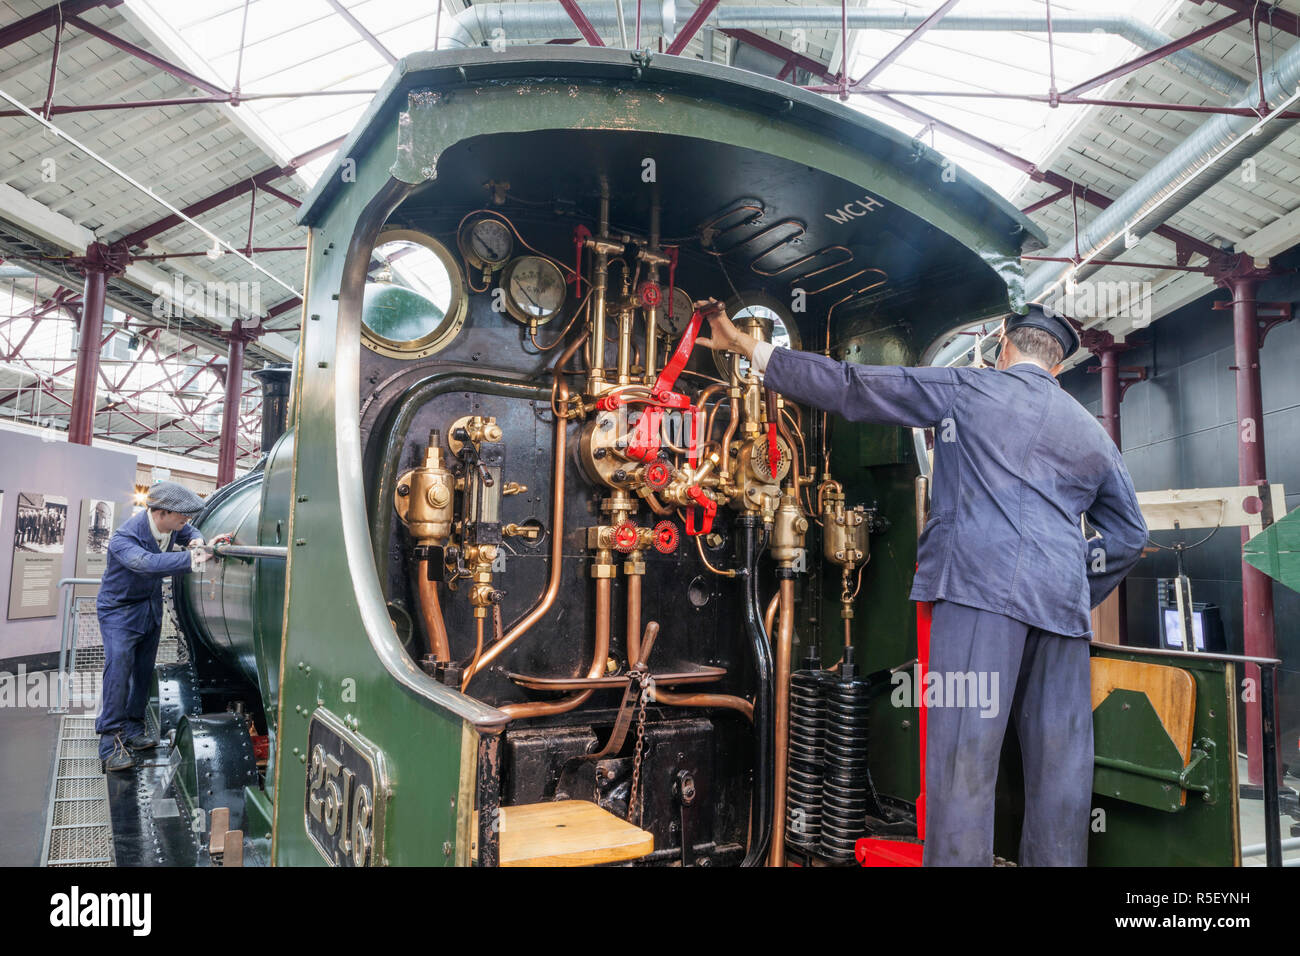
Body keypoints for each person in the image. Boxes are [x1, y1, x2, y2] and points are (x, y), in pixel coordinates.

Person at [695, 299, 1148, 866]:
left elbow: (855, 387)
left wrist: (753, 350)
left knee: (964, 767)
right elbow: (1129, 535)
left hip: (978, 595)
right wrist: (1074, 587)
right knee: (1062, 777)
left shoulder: (969, 390)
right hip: (1062, 613)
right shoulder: (1092, 433)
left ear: (1004, 347)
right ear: (1057, 366)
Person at [94, 482, 211, 772]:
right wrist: (195, 557)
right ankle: (110, 743)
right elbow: (147, 563)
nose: (185, 522)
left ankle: (133, 729)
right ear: (161, 513)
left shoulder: (172, 527)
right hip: (118, 612)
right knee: (119, 670)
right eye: (181, 517)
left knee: (143, 672)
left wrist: (196, 540)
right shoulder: (124, 538)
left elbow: (191, 532)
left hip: (148, 609)